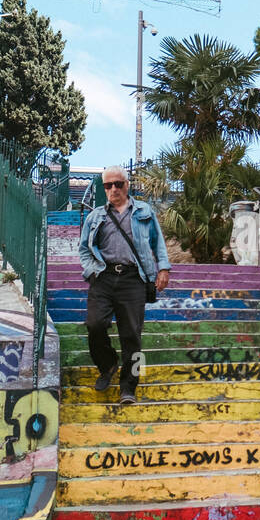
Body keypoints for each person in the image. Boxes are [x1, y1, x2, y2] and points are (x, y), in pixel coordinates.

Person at [78, 166, 171, 404]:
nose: (113, 189)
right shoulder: (95, 216)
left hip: (134, 278)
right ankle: (108, 365)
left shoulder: (144, 211)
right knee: (95, 325)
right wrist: (92, 273)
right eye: (108, 185)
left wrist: (163, 268)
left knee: (132, 336)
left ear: (127, 185)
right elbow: (84, 250)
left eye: (118, 184)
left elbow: (157, 241)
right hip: (104, 277)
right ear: (104, 188)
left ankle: (129, 387)